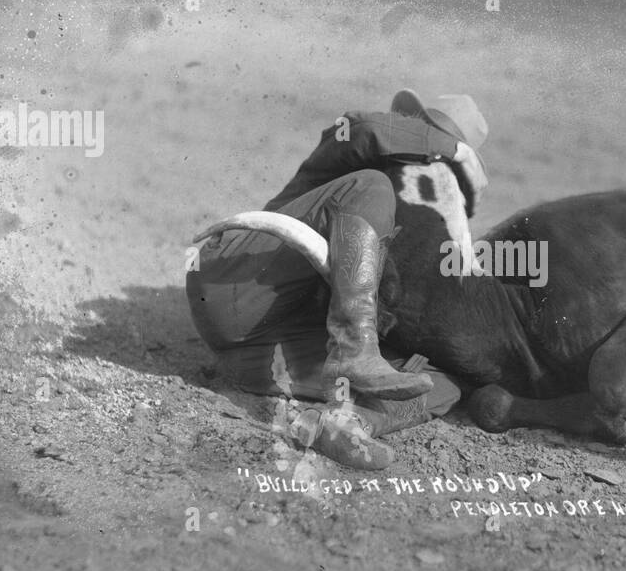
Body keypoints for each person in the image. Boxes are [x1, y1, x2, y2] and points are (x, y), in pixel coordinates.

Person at [187, 90, 489, 470]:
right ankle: (354, 351)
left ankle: (347, 423)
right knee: (371, 186)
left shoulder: (429, 236)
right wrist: (453, 151)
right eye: (421, 138)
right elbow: (363, 129)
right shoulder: (353, 157)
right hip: (236, 282)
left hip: (263, 360)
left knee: (446, 381)